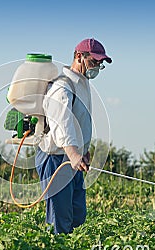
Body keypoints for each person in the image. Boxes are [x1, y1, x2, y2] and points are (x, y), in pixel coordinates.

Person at [35, 38, 112, 234]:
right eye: (93, 61)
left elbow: (80, 123)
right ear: (79, 56)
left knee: (78, 215)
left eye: (99, 64)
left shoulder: (82, 84)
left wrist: (82, 152)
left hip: (72, 159)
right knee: (61, 221)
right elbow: (63, 124)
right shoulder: (63, 86)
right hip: (56, 159)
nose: (96, 67)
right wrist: (74, 153)